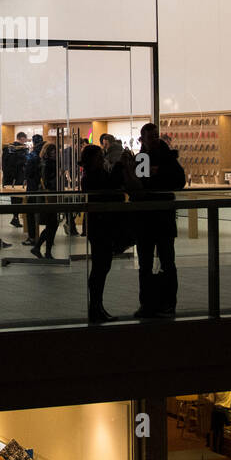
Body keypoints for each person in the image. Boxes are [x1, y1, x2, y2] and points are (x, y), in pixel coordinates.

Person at [123, 122, 185, 319]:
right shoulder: (148, 158)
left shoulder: (163, 156)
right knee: (149, 264)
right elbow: (144, 185)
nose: (154, 139)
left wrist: (155, 176)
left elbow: (177, 181)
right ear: (144, 139)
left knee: (165, 262)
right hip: (152, 218)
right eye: (151, 136)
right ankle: (149, 303)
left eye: (156, 135)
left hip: (155, 217)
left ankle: (164, 303)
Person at [79, 143, 124, 322]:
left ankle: (97, 306)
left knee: (101, 267)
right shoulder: (94, 176)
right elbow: (110, 190)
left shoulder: (92, 175)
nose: (102, 160)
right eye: (99, 157)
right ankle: (95, 307)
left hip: (100, 226)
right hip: (100, 227)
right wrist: (119, 167)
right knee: (100, 267)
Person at [32, 142, 60, 259]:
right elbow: (47, 182)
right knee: (52, 224)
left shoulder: (46, 163)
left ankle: (41, 249)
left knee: (52, 224)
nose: (54, 154)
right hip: (49, 196)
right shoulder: (48, 164)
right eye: (52, 152)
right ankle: (43, 249)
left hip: (49, 196)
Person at [21, 135, 43, 244]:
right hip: (43, 188)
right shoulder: (45, 154)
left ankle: (32, 237)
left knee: (30, 214)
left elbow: (28, 172)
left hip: (32, 187)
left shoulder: (32, 155)